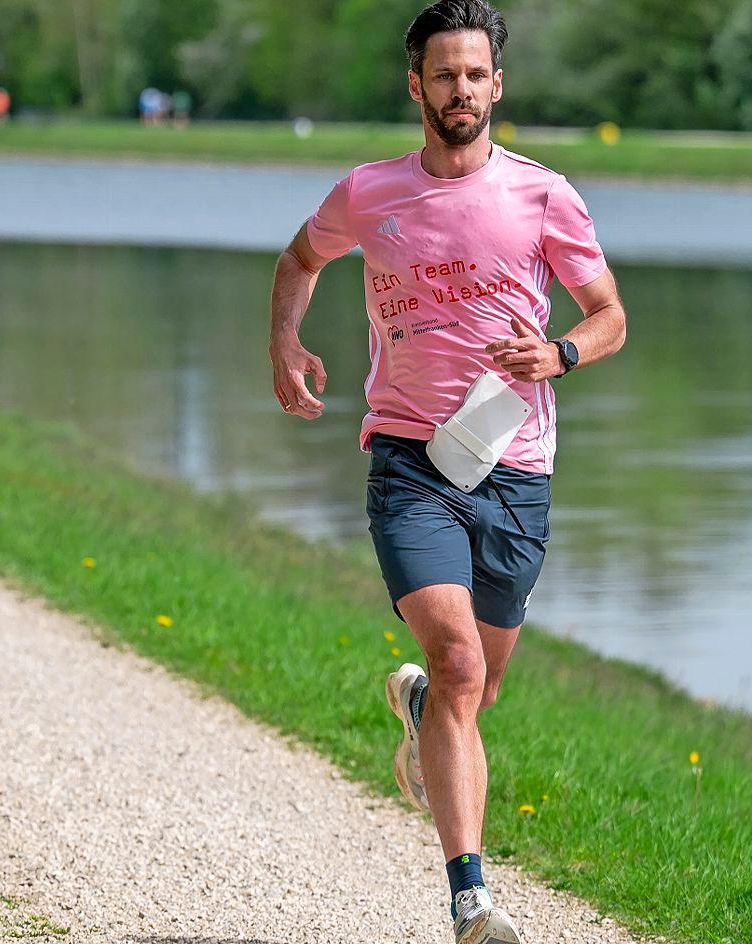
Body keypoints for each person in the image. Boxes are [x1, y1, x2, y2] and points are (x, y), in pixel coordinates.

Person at [265, 2, 627, 941]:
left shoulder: (546, 196)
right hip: (409, 455)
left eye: (475, 75)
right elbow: (301, 259)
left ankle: (424, 707)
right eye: (443, 74)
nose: (459, 90)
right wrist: (286, 343)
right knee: (459, 658)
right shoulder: (370, 191)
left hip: (516, 466)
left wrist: (563, 355)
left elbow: (608, 315)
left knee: (477, 688)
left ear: (496, 85)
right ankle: (470, 895)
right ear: (415, 85)